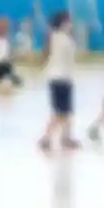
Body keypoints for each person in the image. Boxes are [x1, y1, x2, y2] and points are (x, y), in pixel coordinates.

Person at [38, 10, 80, 152]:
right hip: (62, 78)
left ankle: (66, 137)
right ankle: (46, 138)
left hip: (57, 77)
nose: (71, 24)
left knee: (66, 111)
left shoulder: (53, 37)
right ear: (63, 23)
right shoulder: (64, 39)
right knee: (61, 112)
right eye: (68, 21)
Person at [0, 16, 22, 89]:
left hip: (6, 67)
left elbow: (11, 57)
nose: (2, 29)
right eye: (0, 26)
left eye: (4, 27)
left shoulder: (9, 42)